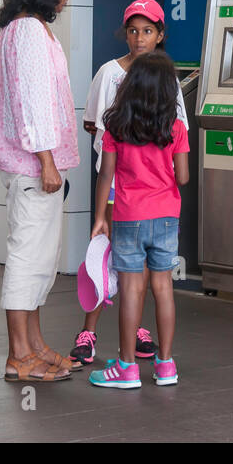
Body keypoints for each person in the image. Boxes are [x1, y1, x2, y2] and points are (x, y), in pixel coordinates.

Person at [71, 0, 188, 365]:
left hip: (129, 198)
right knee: (106, 263)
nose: (139, 38)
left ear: (160, 35)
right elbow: (93, 122)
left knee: (132, 272)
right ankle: (91, 331)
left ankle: (131, 343)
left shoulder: (163, 79)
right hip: (130, 195)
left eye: (147, 31)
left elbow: (102, 128)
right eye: (133, 31)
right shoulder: (109, 72)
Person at [0, 0, 82, 382]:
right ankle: (18, 356)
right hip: (33, 166)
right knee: (27, 259)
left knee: (40, 259)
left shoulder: (26, 27)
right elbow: (32, 102)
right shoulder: (27, 31)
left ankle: (35, 345)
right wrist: (46, 160)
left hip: (38, 165)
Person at [88, 51, 190, 389]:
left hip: (128, 216)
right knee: (163, 288)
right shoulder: (175, 128)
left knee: (131, 290)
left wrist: (100, 217)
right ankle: (166, 366)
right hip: (166, 217)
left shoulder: (116, 125)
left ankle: (127, 368)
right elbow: (184, 176)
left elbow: (106, 175)